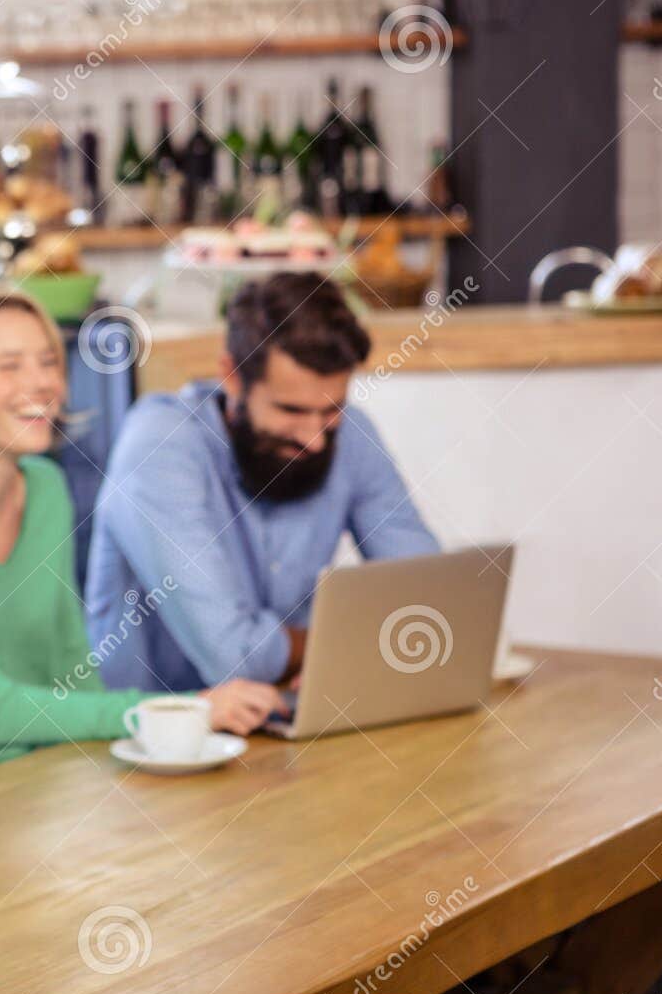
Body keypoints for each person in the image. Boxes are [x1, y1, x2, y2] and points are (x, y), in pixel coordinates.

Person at [0, 291, 282, 792]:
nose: (43, 383)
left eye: (48, 362)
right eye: (10, 366)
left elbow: (69, 663)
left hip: (31, 774)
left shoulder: (45, 489)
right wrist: (177, 711)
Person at [86, 272, 438, 699]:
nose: (314, 437)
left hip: (283, 726)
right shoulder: (159, 446)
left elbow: (428, 593)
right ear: (231, 377)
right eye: (290, 409)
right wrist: (353, 643)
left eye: (331, 411)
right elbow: (235, 659)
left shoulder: (352, 436)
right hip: (155, 743)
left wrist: (365, 643)